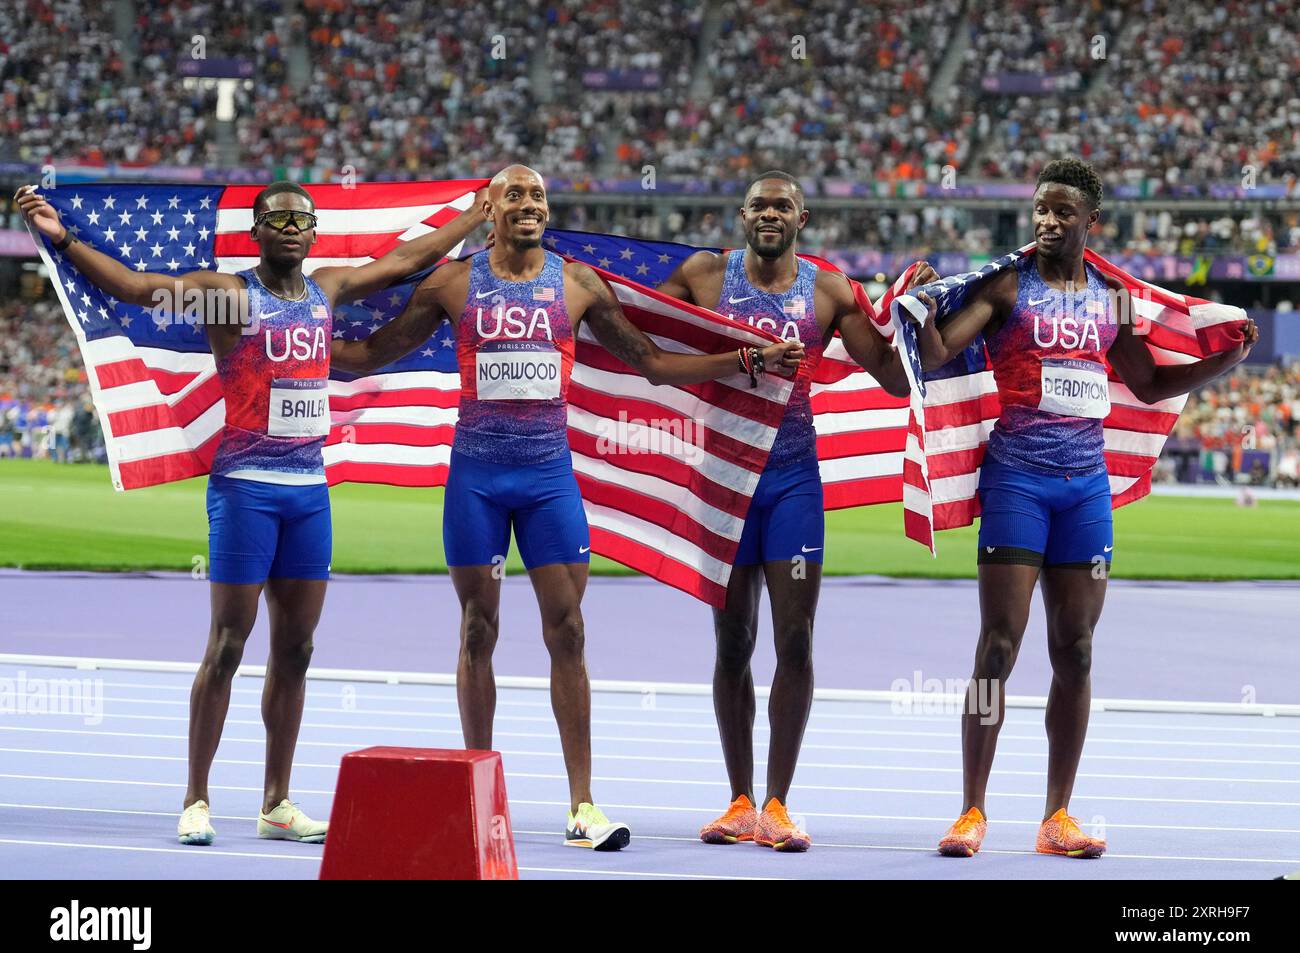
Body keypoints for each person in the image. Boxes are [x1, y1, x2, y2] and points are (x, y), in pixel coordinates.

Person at [16, 179, 489, 845]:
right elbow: (133, 285)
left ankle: (277, 802)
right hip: (244, 488)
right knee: (228, 645)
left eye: (301, 218)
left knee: (296, 650)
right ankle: (197, 799)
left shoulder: (327, 289)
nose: (291, 226)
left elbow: (406, 262)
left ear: (314, 232)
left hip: (307, 493)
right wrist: (60, 238)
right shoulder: (228, 294)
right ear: (257, 232)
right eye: (278, 218)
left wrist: (475, 213)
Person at [371, 164, 804, 850]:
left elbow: (653, 363)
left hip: (548, 477)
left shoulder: (576, 283)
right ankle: (481, 791)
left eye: (538, 195)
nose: (529, 204)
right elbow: (374, 350)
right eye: (514, 194)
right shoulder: (451, 283)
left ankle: (582, 804)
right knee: (479, 628)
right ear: (491, 208)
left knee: (568, 630)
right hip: (478, 478)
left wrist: (746, 361)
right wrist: (295, 349)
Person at [908, 158, 1258, 858]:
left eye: (1062, 212)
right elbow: (942, 349)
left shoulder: (1114, 295)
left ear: (1091, 222)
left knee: (1076, 648)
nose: (1046, 221)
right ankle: (971, 811)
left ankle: (1056, 817)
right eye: (1040, 210)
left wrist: (1224, 364)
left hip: (1085, 488)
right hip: (1016, 480)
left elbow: (1149, 382)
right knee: (997, 647)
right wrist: (918, 309)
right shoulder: (1008, 284)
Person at [657, 170, 938, 851]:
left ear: (802, 216)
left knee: (797, 639)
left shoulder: (831, 289)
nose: (769, 214)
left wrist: (912, 313)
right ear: (742, 214)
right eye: (758, 204)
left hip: (791, 479)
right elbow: (647, 352)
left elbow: (897, 379)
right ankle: (739, 799)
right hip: (724, 476)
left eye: (782, 204)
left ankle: (778, 803)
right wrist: (741, 357)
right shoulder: (701, 276)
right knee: (732, 642)